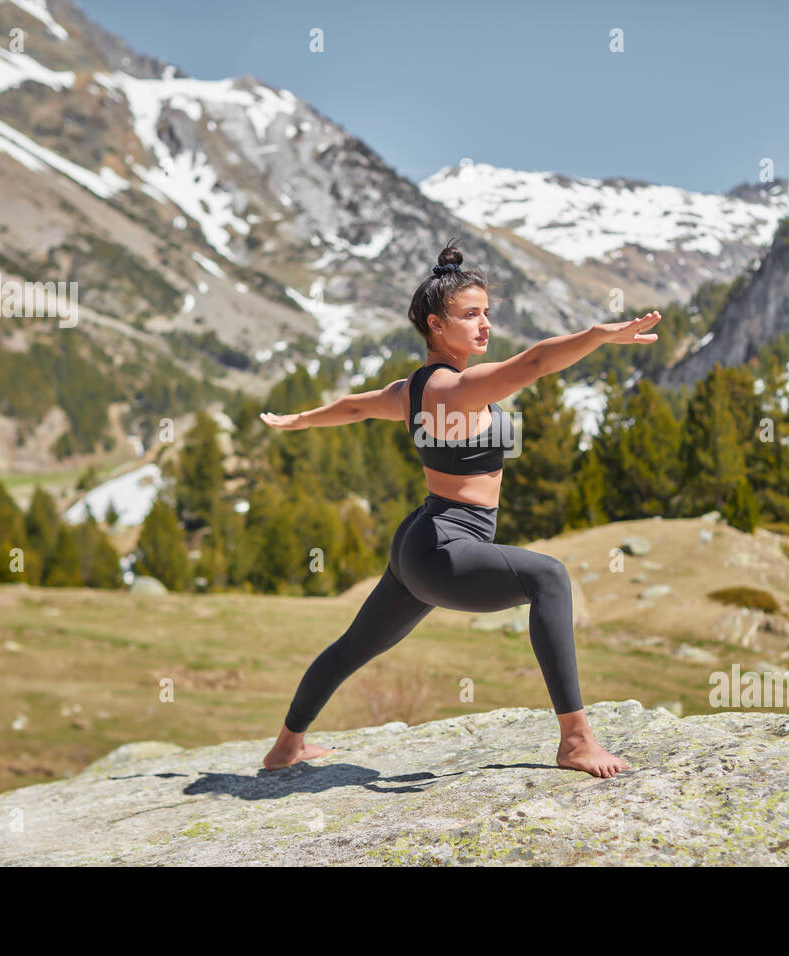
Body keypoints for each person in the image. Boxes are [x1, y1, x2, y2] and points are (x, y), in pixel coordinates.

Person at [259, 239, 661, 778]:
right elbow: (538, 360)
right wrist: (598, 336)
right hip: (445, 546)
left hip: (420, 541)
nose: (485, 324)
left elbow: (356, 406)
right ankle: (576, 741)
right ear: (436, 324)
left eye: (487, 313)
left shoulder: (413, 389)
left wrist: (301, 419)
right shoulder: (457, 387)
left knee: (354, 645)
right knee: (550, 578)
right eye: (470, 315)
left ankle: (286, 747)